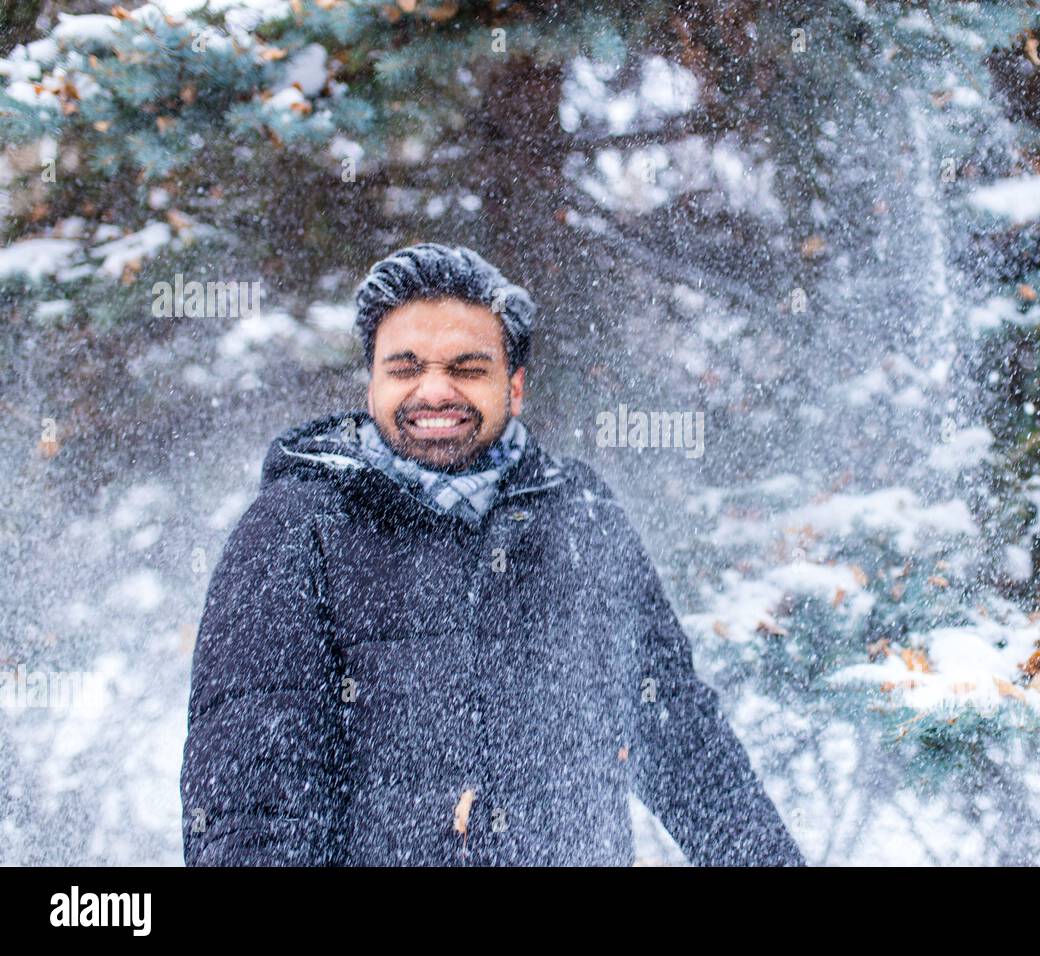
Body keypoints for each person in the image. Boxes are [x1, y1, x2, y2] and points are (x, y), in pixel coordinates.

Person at [179, 242, 806, 866]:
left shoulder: (582, 517)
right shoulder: (295, 525)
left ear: (515, 384)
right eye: (404, 368)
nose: (434, 390)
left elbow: (681, 736)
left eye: (467, 368)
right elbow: (247, 794)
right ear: (371, 382)